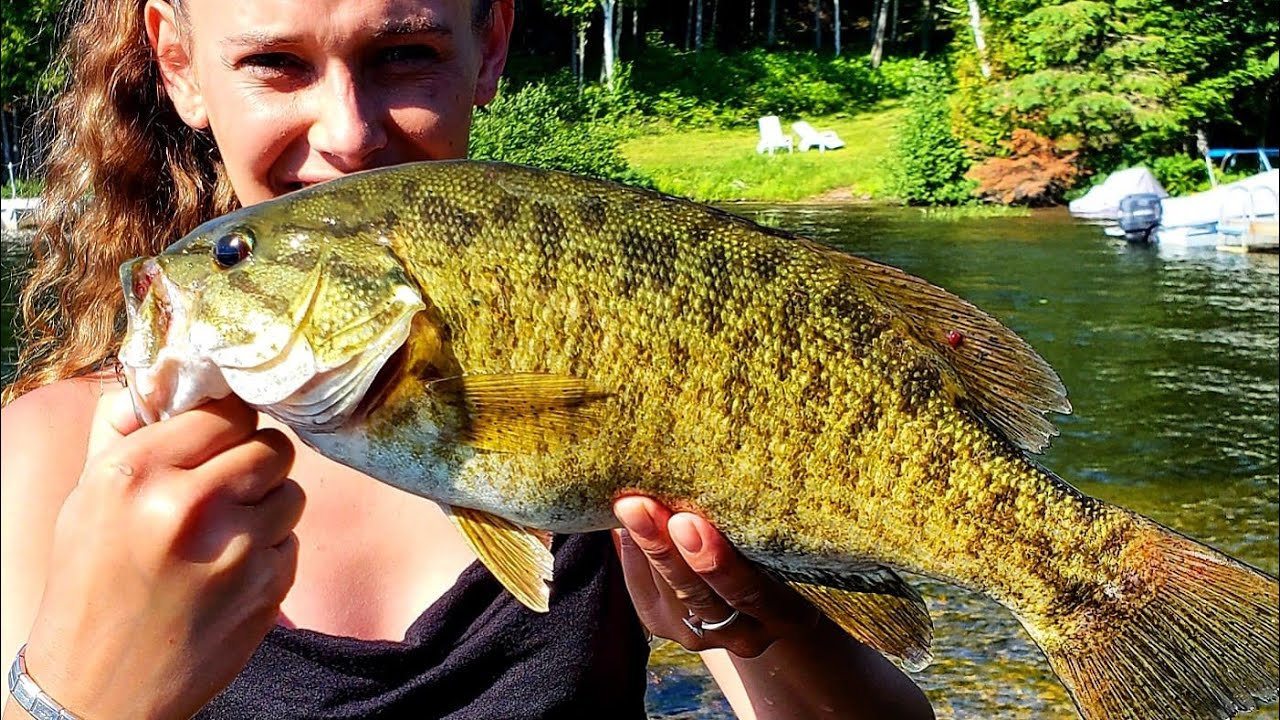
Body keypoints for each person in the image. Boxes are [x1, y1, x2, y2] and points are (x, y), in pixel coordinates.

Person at [0, 0, 936, 717]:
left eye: (404, 54)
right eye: (273, 64)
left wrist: (765, 625)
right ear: (179, 63)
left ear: (490, 44)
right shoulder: (43, 465)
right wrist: (77, 693)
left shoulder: (598, 320)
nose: (349, 134)